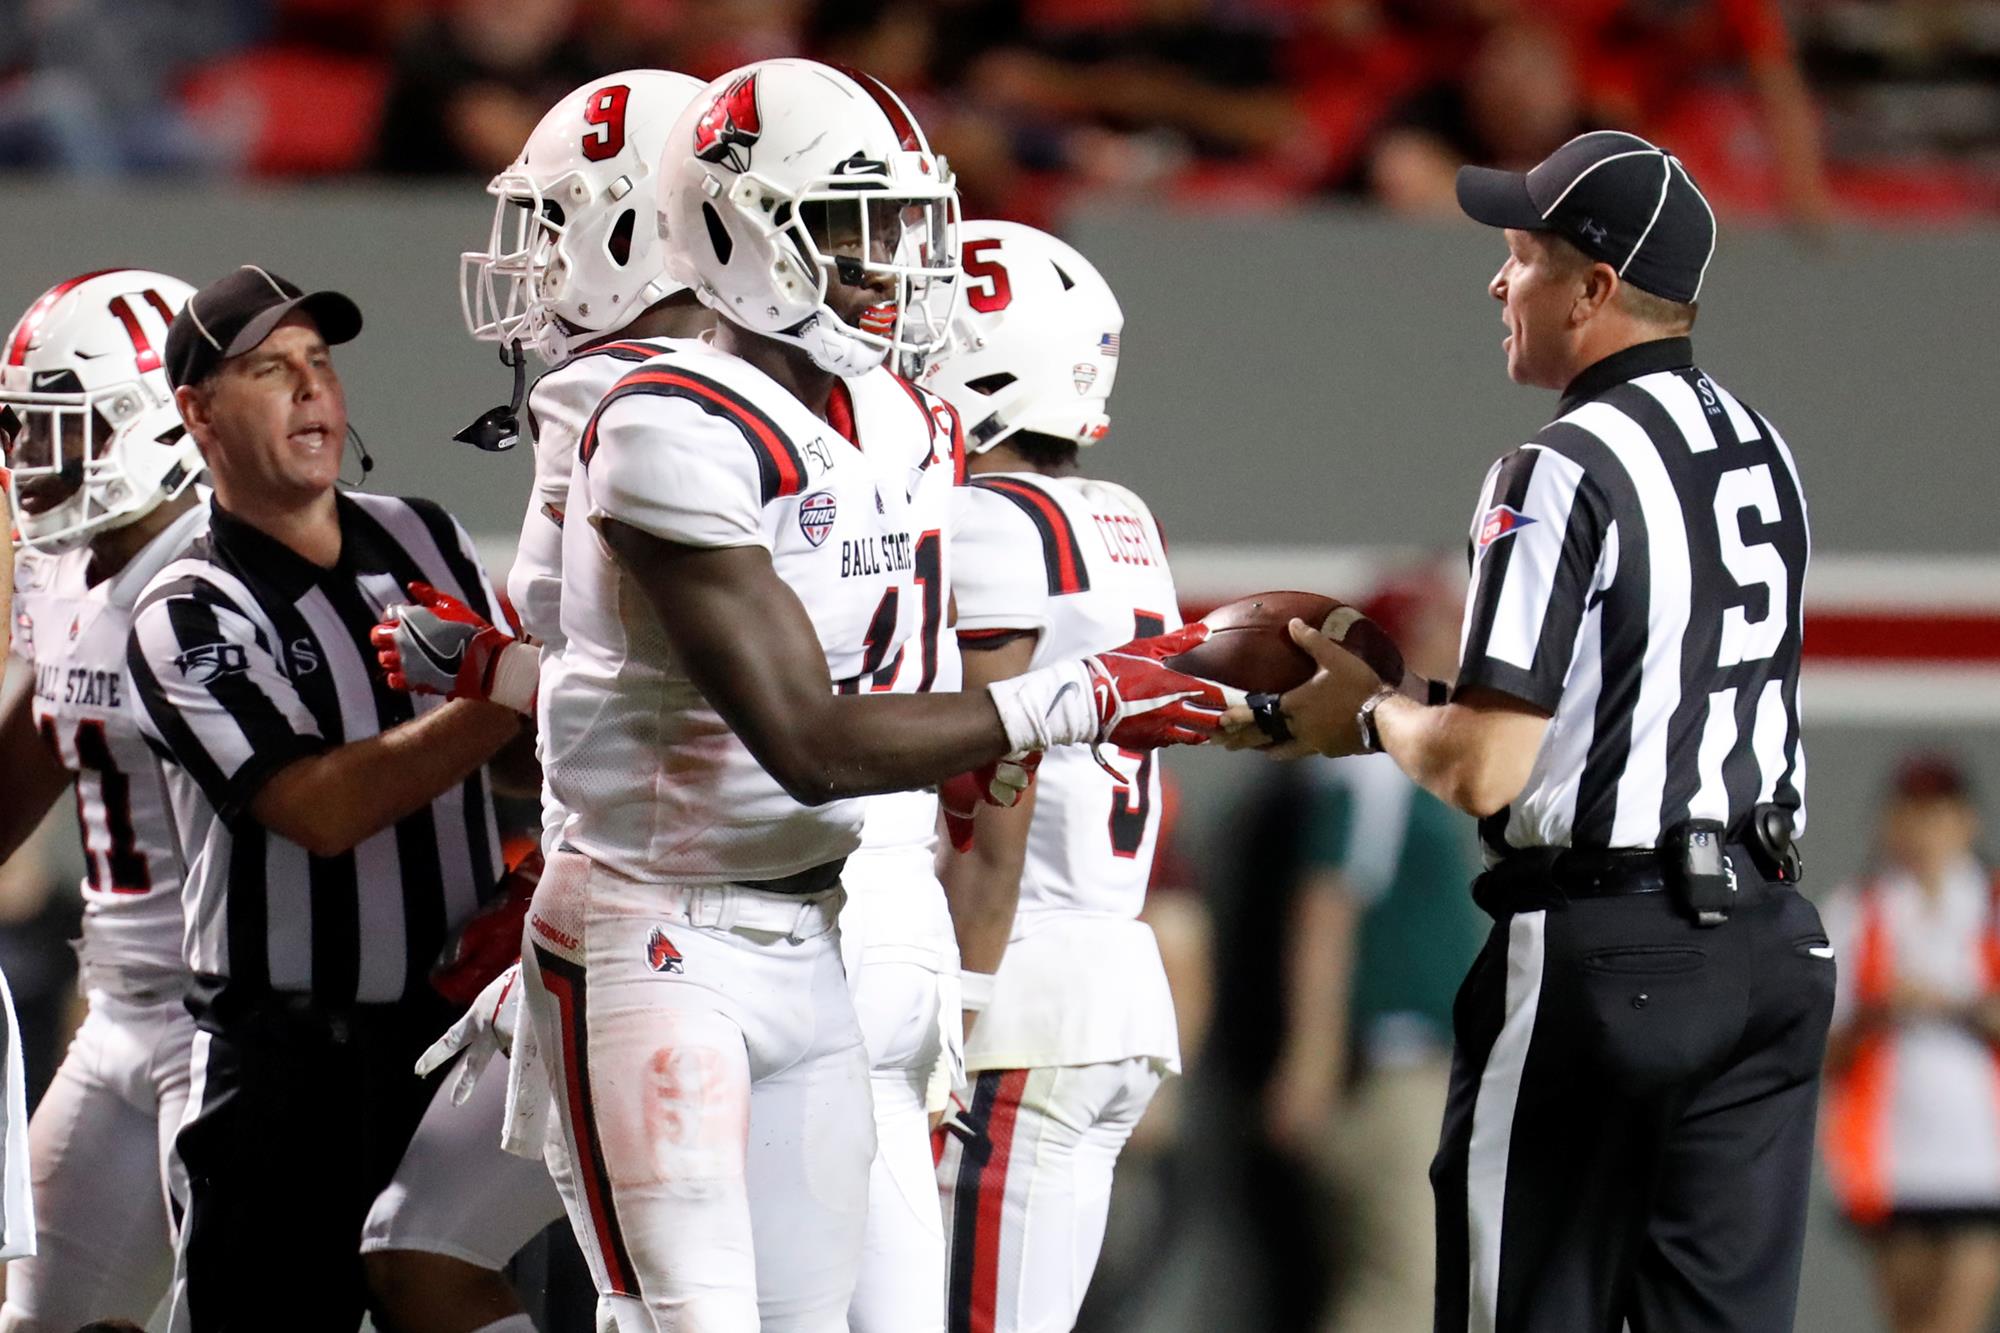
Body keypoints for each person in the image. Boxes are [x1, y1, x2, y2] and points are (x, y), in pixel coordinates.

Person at [442, 58, 1232, 1331]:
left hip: (820, 924)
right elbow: (805, 736)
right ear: (725, 226)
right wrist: (1075, 697)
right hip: (665, 930)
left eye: (894, 225)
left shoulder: (895, 417)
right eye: (849, 225)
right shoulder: (664, 420)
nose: (888, 262)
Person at [1225, 130, 1822, 1332]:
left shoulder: (1557, 463)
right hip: (1768, 947)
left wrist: (1374, 714)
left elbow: (1485, 763)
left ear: (1594, 288)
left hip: (1608, 947)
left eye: (1520, 257)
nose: (1498, 284)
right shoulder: (1763, 444)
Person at [358, 67, 710, 1333]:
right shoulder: (736, 396)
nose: (537, 255)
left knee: (671, 1297)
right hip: (649, 892)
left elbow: (701, 697)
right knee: (428, 1250)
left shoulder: (643, 407)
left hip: (682, 915)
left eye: (564, 215)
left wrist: (487, 671)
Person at [125, 265, 527, 1332]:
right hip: (283, 1063)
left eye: (319, 365)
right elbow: (317, 808)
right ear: (198, 413)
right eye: (270, 370)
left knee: (455, 1282)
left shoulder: (425, 536)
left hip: (448, 1037)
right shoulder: (189, 605)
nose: (310, 391)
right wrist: (511, 690)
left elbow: (514, 750)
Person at [920, 219, 1184, 1333]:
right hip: (1100, 975)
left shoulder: (983, 522)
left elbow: (995, 768)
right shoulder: (1118, 516)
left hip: (1018, 989)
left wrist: (959, 1001)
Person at [0, 269, 199, 1327]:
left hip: (239, 1018)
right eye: (24, 430)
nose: (34, 462)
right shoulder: (69, 571)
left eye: (62, 429)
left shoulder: (236, 571)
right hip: (121, 1006)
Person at [1261, 564, 1488, 1333]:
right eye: (1445, 627)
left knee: (1440, 1293)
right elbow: (1327, 907)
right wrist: (1313, 1060)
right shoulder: (1371, 761)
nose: (1465, 646)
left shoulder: (1414, 756)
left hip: (1430, 1072)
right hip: (1391, 1073)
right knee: (1402, 1293)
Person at [1823, 754, 2000, 1333]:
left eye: (1939, 816)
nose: (1925, 832)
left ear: (1966, 823)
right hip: (1893, 1160)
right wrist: (1881, 1011)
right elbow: (1825, 1050)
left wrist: (1959, 1007)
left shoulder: (1990, 908)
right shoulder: (1857, 912)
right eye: (1911, 816)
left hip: (1983, 1160)